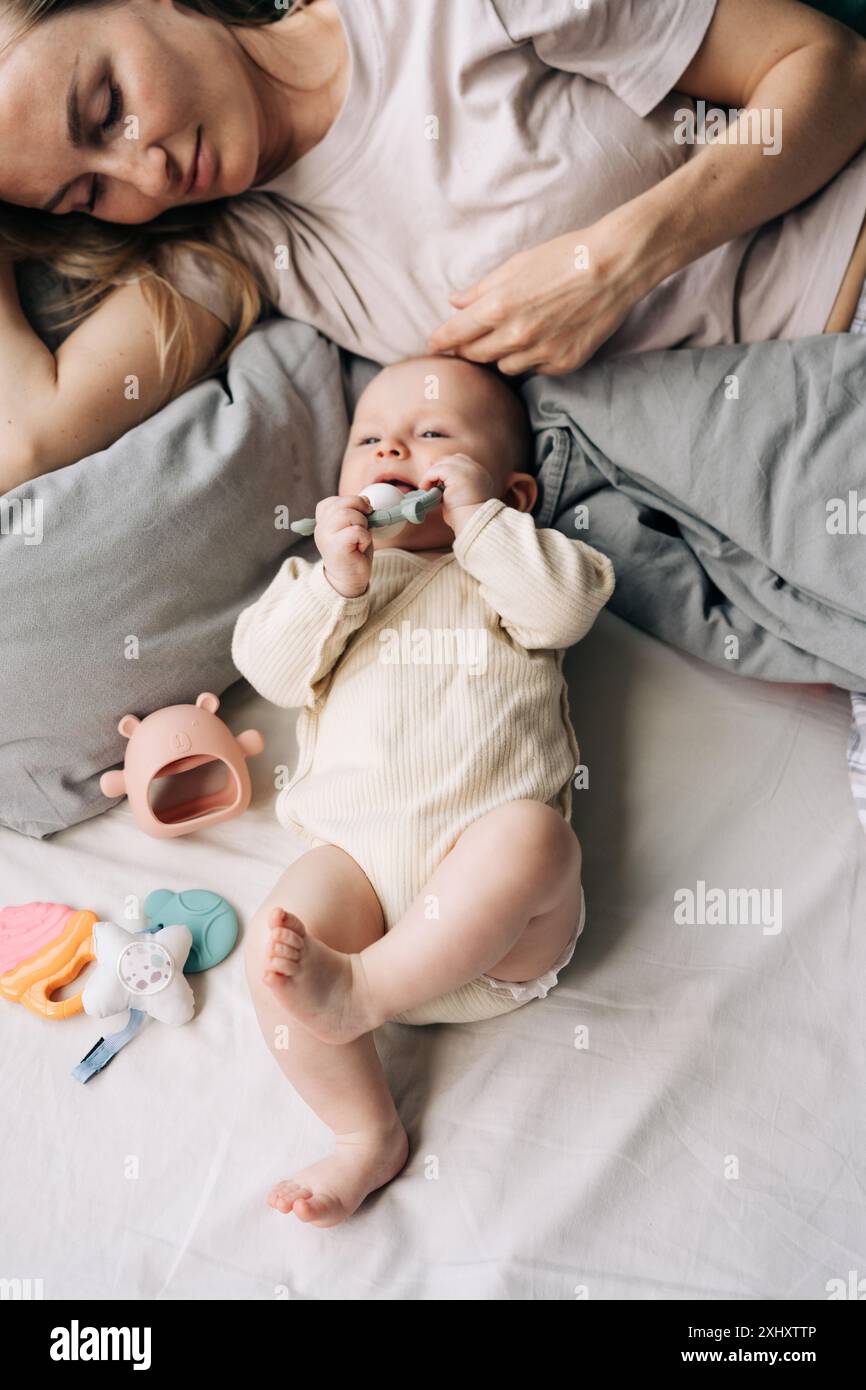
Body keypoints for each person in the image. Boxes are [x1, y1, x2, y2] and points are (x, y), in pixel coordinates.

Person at [2, 0, 866, 491]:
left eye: (108, 105)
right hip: (797, 434)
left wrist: (612, 262)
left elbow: (830, 65)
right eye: (87, 193)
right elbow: (30, 436)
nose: (144, 175)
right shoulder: (242, 246)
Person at [232, 353, 615, 1226]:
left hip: (497, 930)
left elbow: (563, 612)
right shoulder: (329, 588)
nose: (394, 448)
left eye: (433, 434)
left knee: (534, 839)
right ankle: (364, 1135)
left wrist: (479, 525)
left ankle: (366, 996)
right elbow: (272, 671)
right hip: (360, 892)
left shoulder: (514, 571)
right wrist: (337, 577)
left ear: (513, 492)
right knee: (275, 942)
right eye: (370, 439)